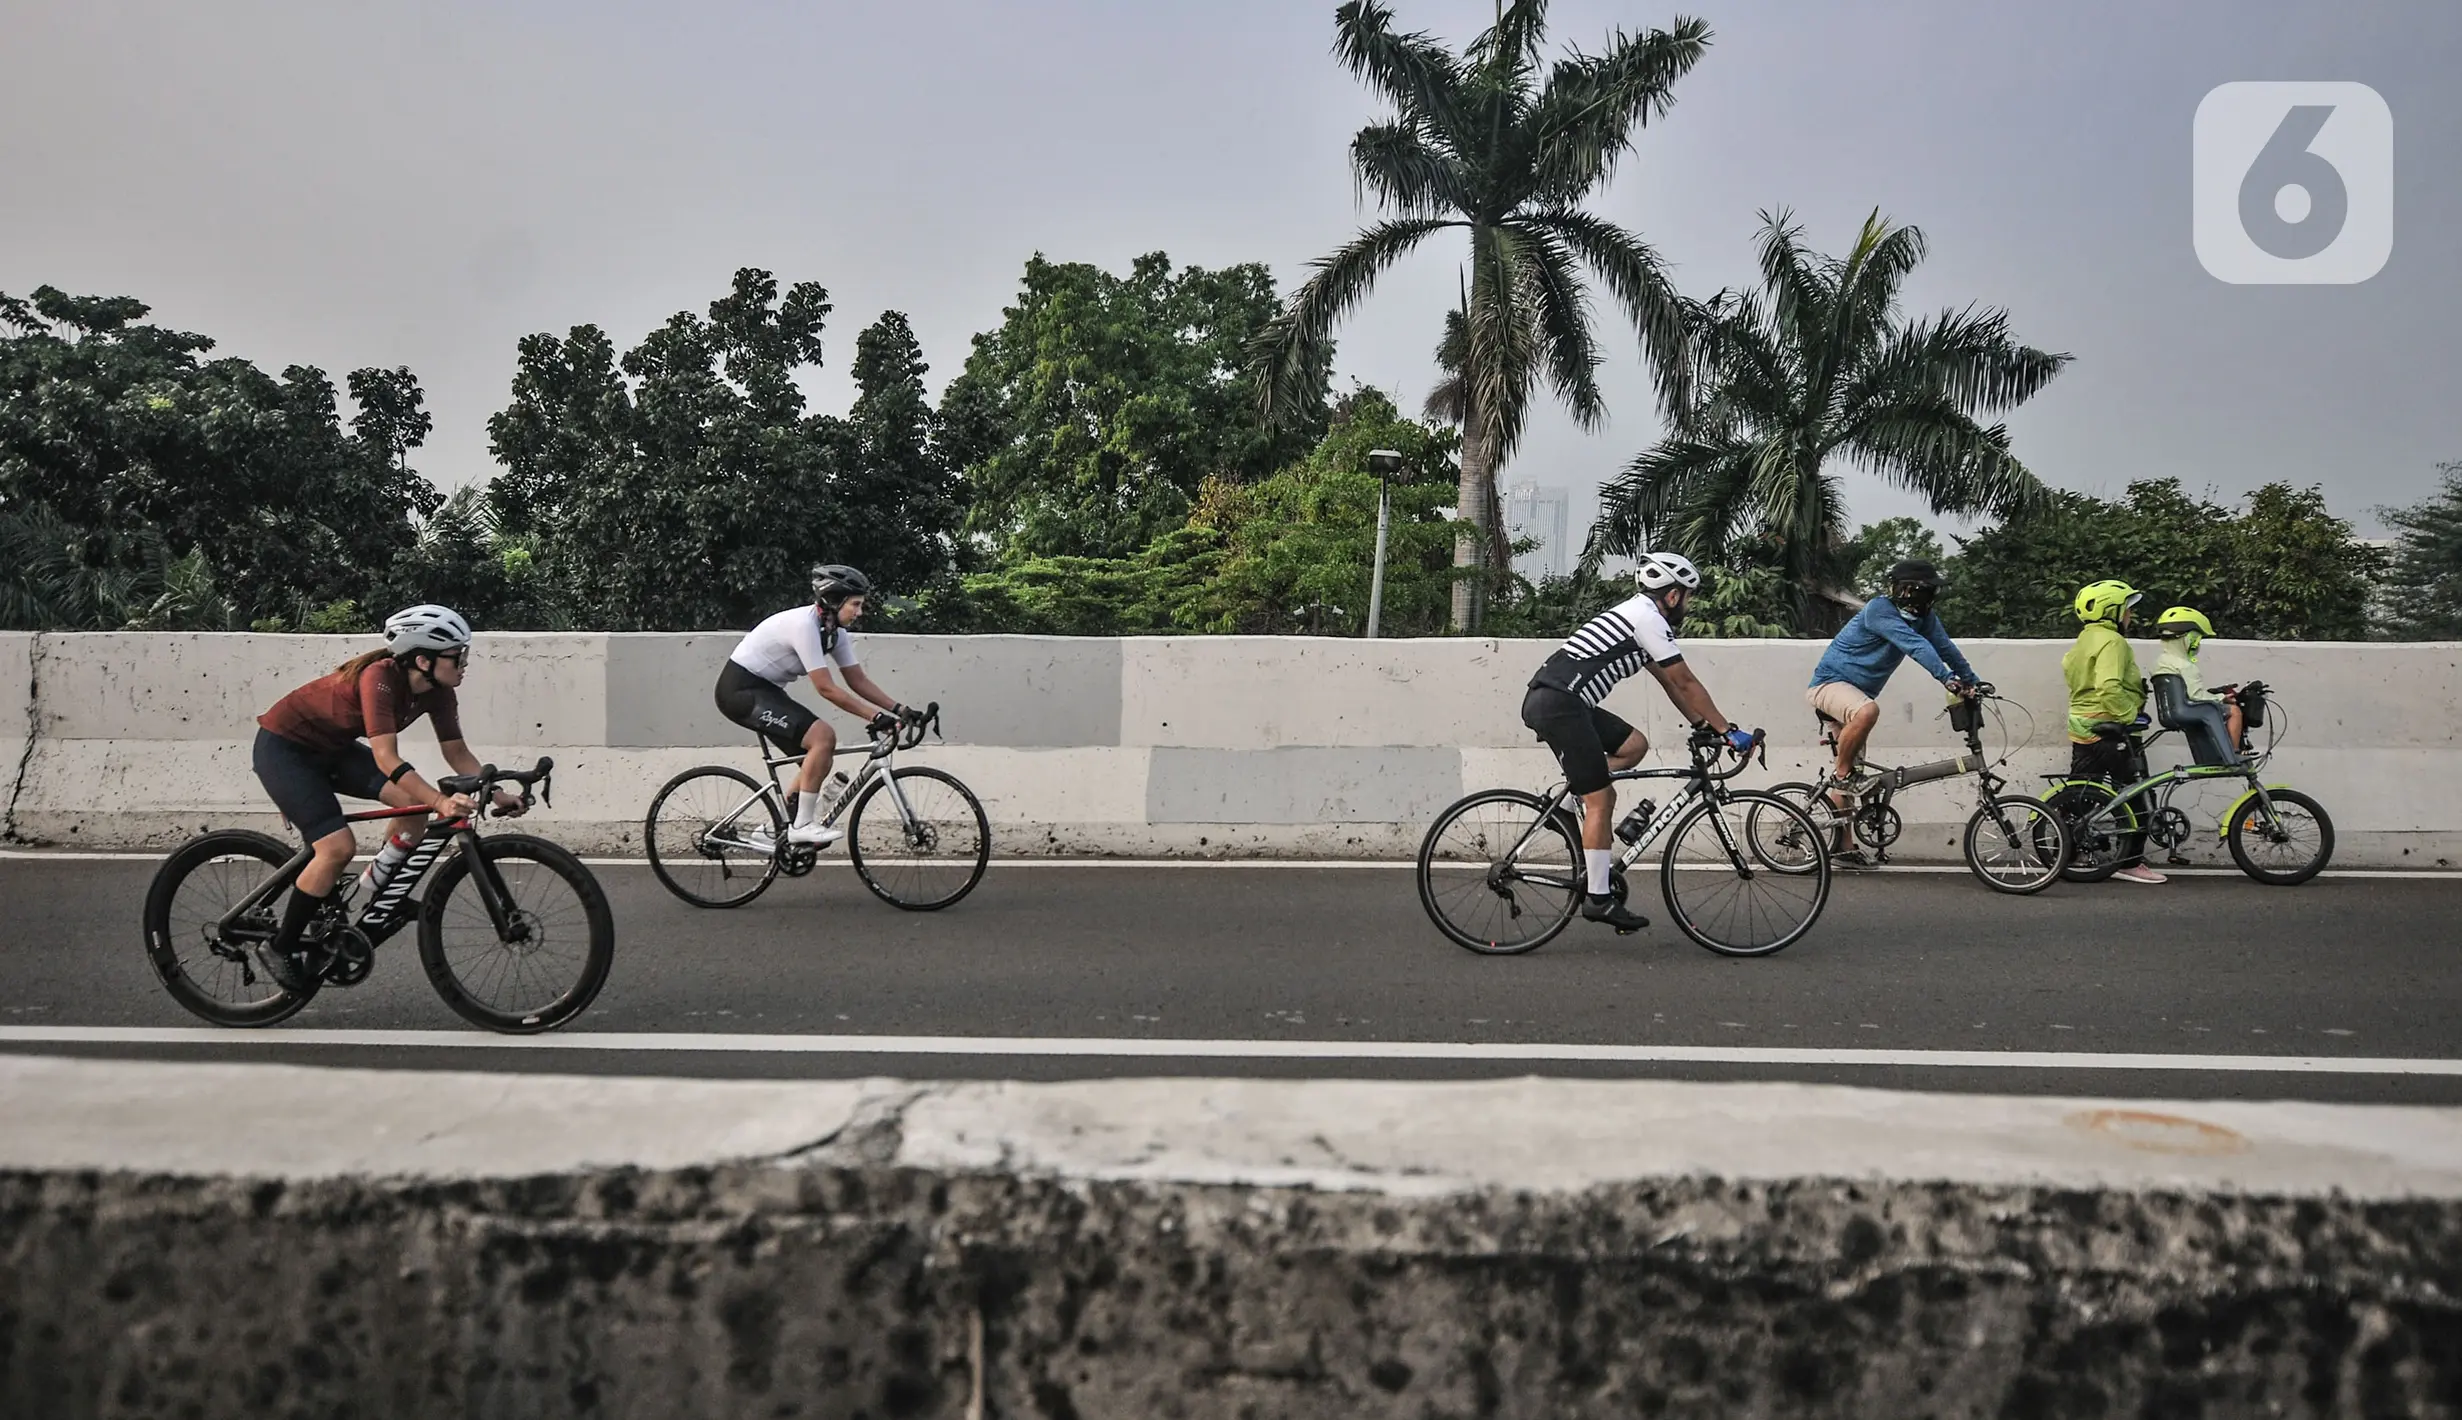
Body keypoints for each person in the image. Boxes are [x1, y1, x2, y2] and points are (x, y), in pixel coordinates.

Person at [252, 604, 524, 989]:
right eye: (456, 656)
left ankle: (377, 893)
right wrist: (441, 801)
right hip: (286, 750)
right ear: (422, 659)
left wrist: (494, 793)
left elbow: (457, 754)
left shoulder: (439, 690)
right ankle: (279, 947)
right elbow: (385, 757)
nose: (464, 663)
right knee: (335, 848)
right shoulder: (378, 677)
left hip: (333, 749)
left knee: (412, 812)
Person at [1522, 551, 1759, 933]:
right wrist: (1727, 731)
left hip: (1564, 701)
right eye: (1687, 595)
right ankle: (1598, 898)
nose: (1688, 603)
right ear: (1671, 595)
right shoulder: (1647, 619)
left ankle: (1567, 798)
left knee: (1633, 746)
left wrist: (1702, 723)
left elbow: (1668, 681)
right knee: (1602, 798)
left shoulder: (1637, 616)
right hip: (1559, 704)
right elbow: (1685, 680)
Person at [714, 564, 923, 852]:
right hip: (740, 692)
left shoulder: (834, 632)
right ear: (834, 601)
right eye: (855, 604)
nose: (860, 612)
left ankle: (774, 831)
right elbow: (825, 688)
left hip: (766, 691)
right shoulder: (804, 626)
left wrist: (900, 710)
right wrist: (875, 717)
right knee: (823, 738)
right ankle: (801, 827)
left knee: (817, 761)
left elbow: (856, 680)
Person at [1804, 559, 1981, 865]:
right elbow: (1915, 646)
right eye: (1928, 591)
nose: (1932, 598)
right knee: (1866, 716)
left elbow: (1945, 648)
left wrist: (1973, 681)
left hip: (1854, 696)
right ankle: (1843, 774)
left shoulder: (1924, 618)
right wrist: (1946, 678)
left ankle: (1843, 848)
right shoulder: (1879, 610)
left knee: (1851, 766)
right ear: (1910, 590)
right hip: (1829, 685)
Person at [2061, 579, 2165, 885]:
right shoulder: (2113, 642)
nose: (2130, 616)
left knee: (2081, 793)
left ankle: (2063, 851)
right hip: (2110, 727)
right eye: (2127, 610)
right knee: (2135, 794)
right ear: (2112, 611)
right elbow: (2108, 686)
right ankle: (2131, 862)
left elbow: (2070, 672)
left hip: (2082, 724)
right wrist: (2129, 715)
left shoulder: (2083, 642)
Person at [2152, 606, 2243, 755]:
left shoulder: (2161, 662)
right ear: (2190, 640)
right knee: (2234, 711)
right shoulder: (2186, 666)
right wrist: (2221, 698)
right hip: (2187, 711)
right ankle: (2233, 753)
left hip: (2170, 712)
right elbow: (2196, 696)